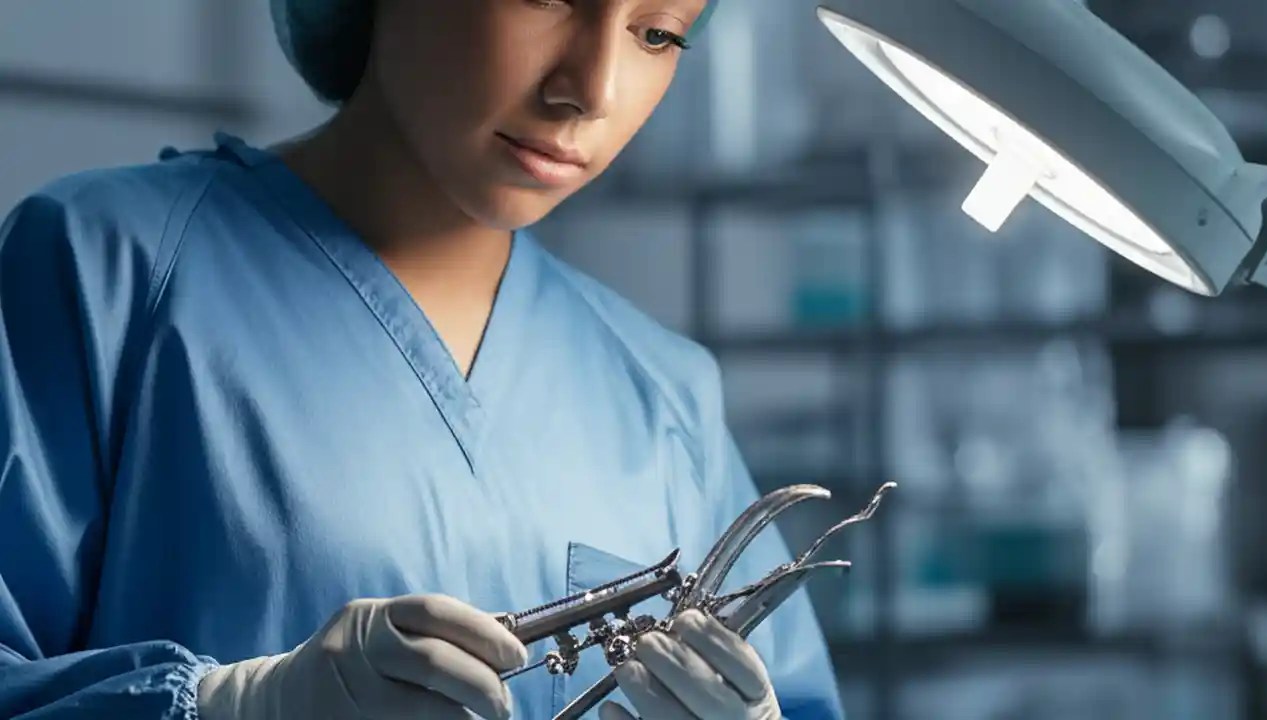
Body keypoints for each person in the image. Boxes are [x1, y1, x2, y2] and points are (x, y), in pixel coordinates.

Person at [0, 1, 844, 718]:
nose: (591, 91)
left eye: (656, 33)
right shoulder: (103, 271)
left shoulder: (665, 393)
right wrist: (233, 705)